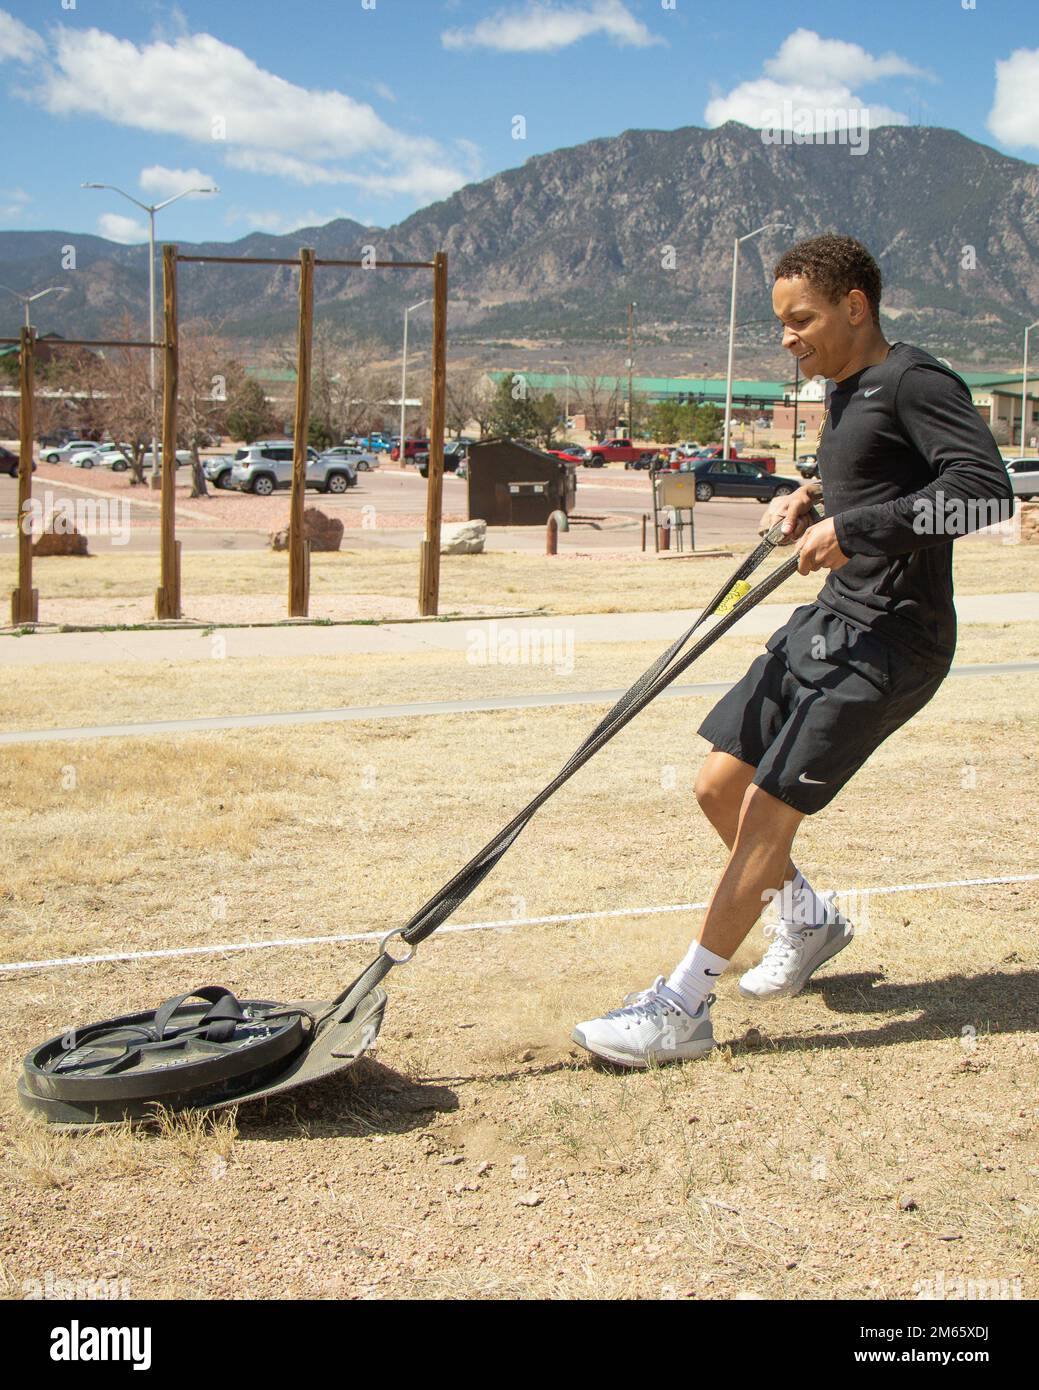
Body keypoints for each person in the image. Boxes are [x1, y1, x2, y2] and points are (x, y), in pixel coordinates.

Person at [573, 233, 1015, 1068]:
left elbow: (981, 495)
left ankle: (682, 1009)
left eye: (800, 319)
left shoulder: (915, 382)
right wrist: (810, 496)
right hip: (829, 620)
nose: (787, 338)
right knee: (716, 785)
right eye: (781, 323)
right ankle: (808, 921)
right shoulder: (846, 392)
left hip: (891, 639)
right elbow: (877, 479)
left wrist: (855, 529)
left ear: (856, 307)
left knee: (765, 815)